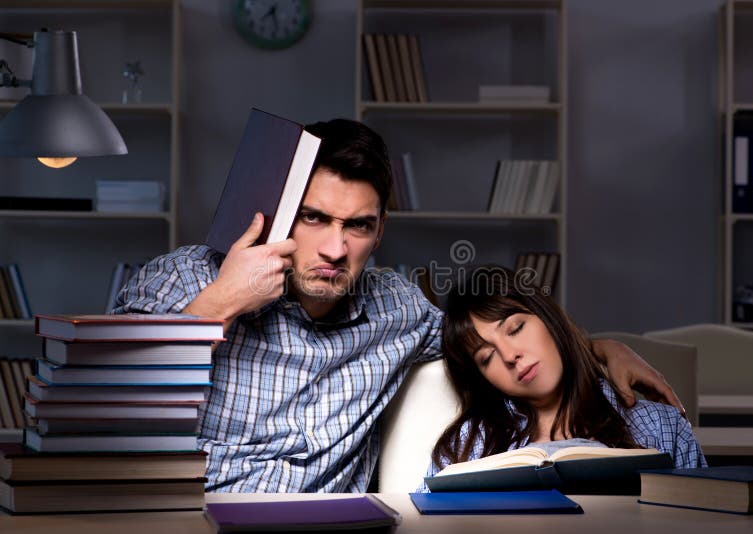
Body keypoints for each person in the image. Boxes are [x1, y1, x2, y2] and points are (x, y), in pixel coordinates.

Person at [114, 118, 685, 493]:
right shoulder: (186, 275)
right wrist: (222, 303)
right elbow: (102, 406)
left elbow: (493, 338)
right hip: (190, 518)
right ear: (282, 212)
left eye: (357, 226)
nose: (336, 249)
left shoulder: (396, 306)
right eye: (315, 218)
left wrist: (601, 346)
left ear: (380, 229)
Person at [421, 265, 706, 490]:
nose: (509, 355)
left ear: (547, 316)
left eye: (516, 328)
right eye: (487, 357)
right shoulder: (467, 446)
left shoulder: (661, 426)